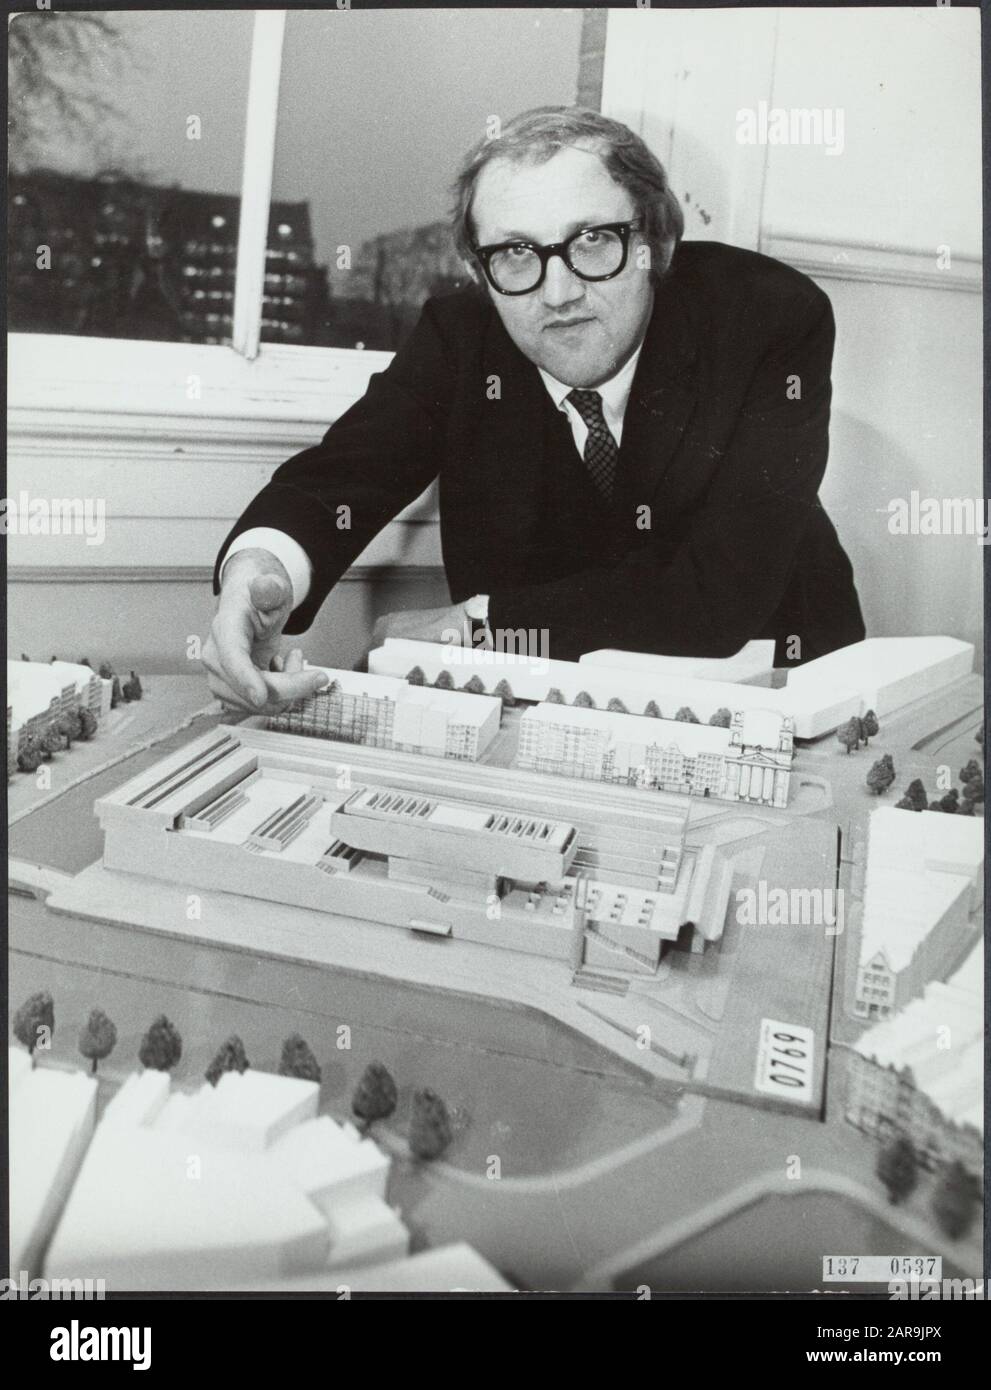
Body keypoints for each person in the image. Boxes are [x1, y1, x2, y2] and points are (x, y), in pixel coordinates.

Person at [204, 106, 864, 714]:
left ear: (654, 241)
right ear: (478, 267)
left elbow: (716, 595)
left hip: (778, 682)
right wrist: (261, 580)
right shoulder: (460, 337)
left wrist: (478, 624)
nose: (557, 292)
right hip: (549, 699)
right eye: (515, 253)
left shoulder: (767, 317)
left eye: (593, 240)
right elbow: (340, 477)